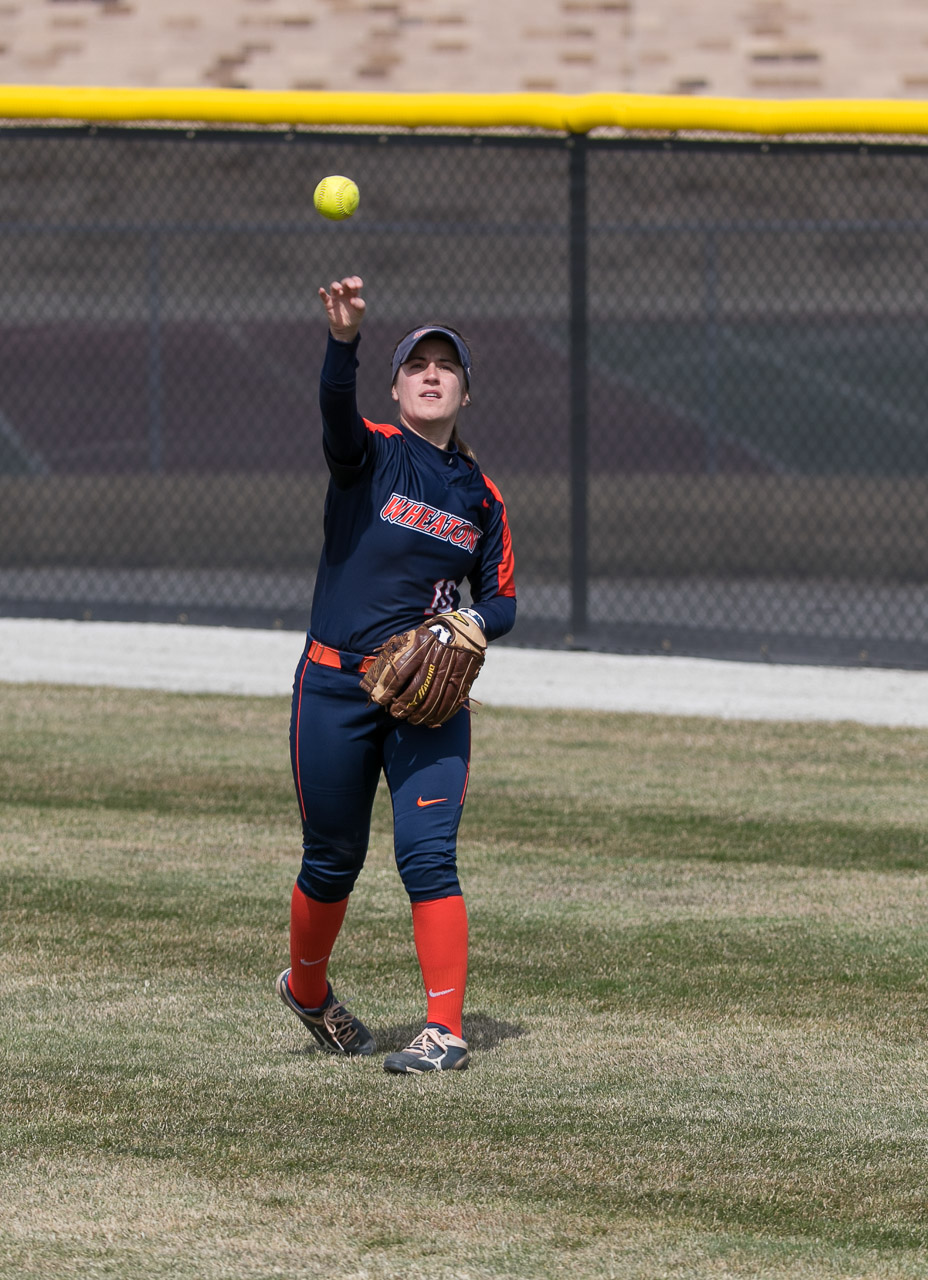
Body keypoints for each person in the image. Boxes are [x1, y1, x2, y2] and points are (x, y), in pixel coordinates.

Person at [275, 274, 517, 1074]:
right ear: (398, 384)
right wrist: (342, 340)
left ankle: (443, 1031)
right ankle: (308, 990)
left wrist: (474, 622)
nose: (432, 374)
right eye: (418, 364)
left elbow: (505, 597)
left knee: (428, 856)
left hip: (427, 700)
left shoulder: (480, 496)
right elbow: (334, 418)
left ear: (465, 393)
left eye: (447, 366)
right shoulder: (372, 453)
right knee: (331, 857)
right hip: (335, 688)